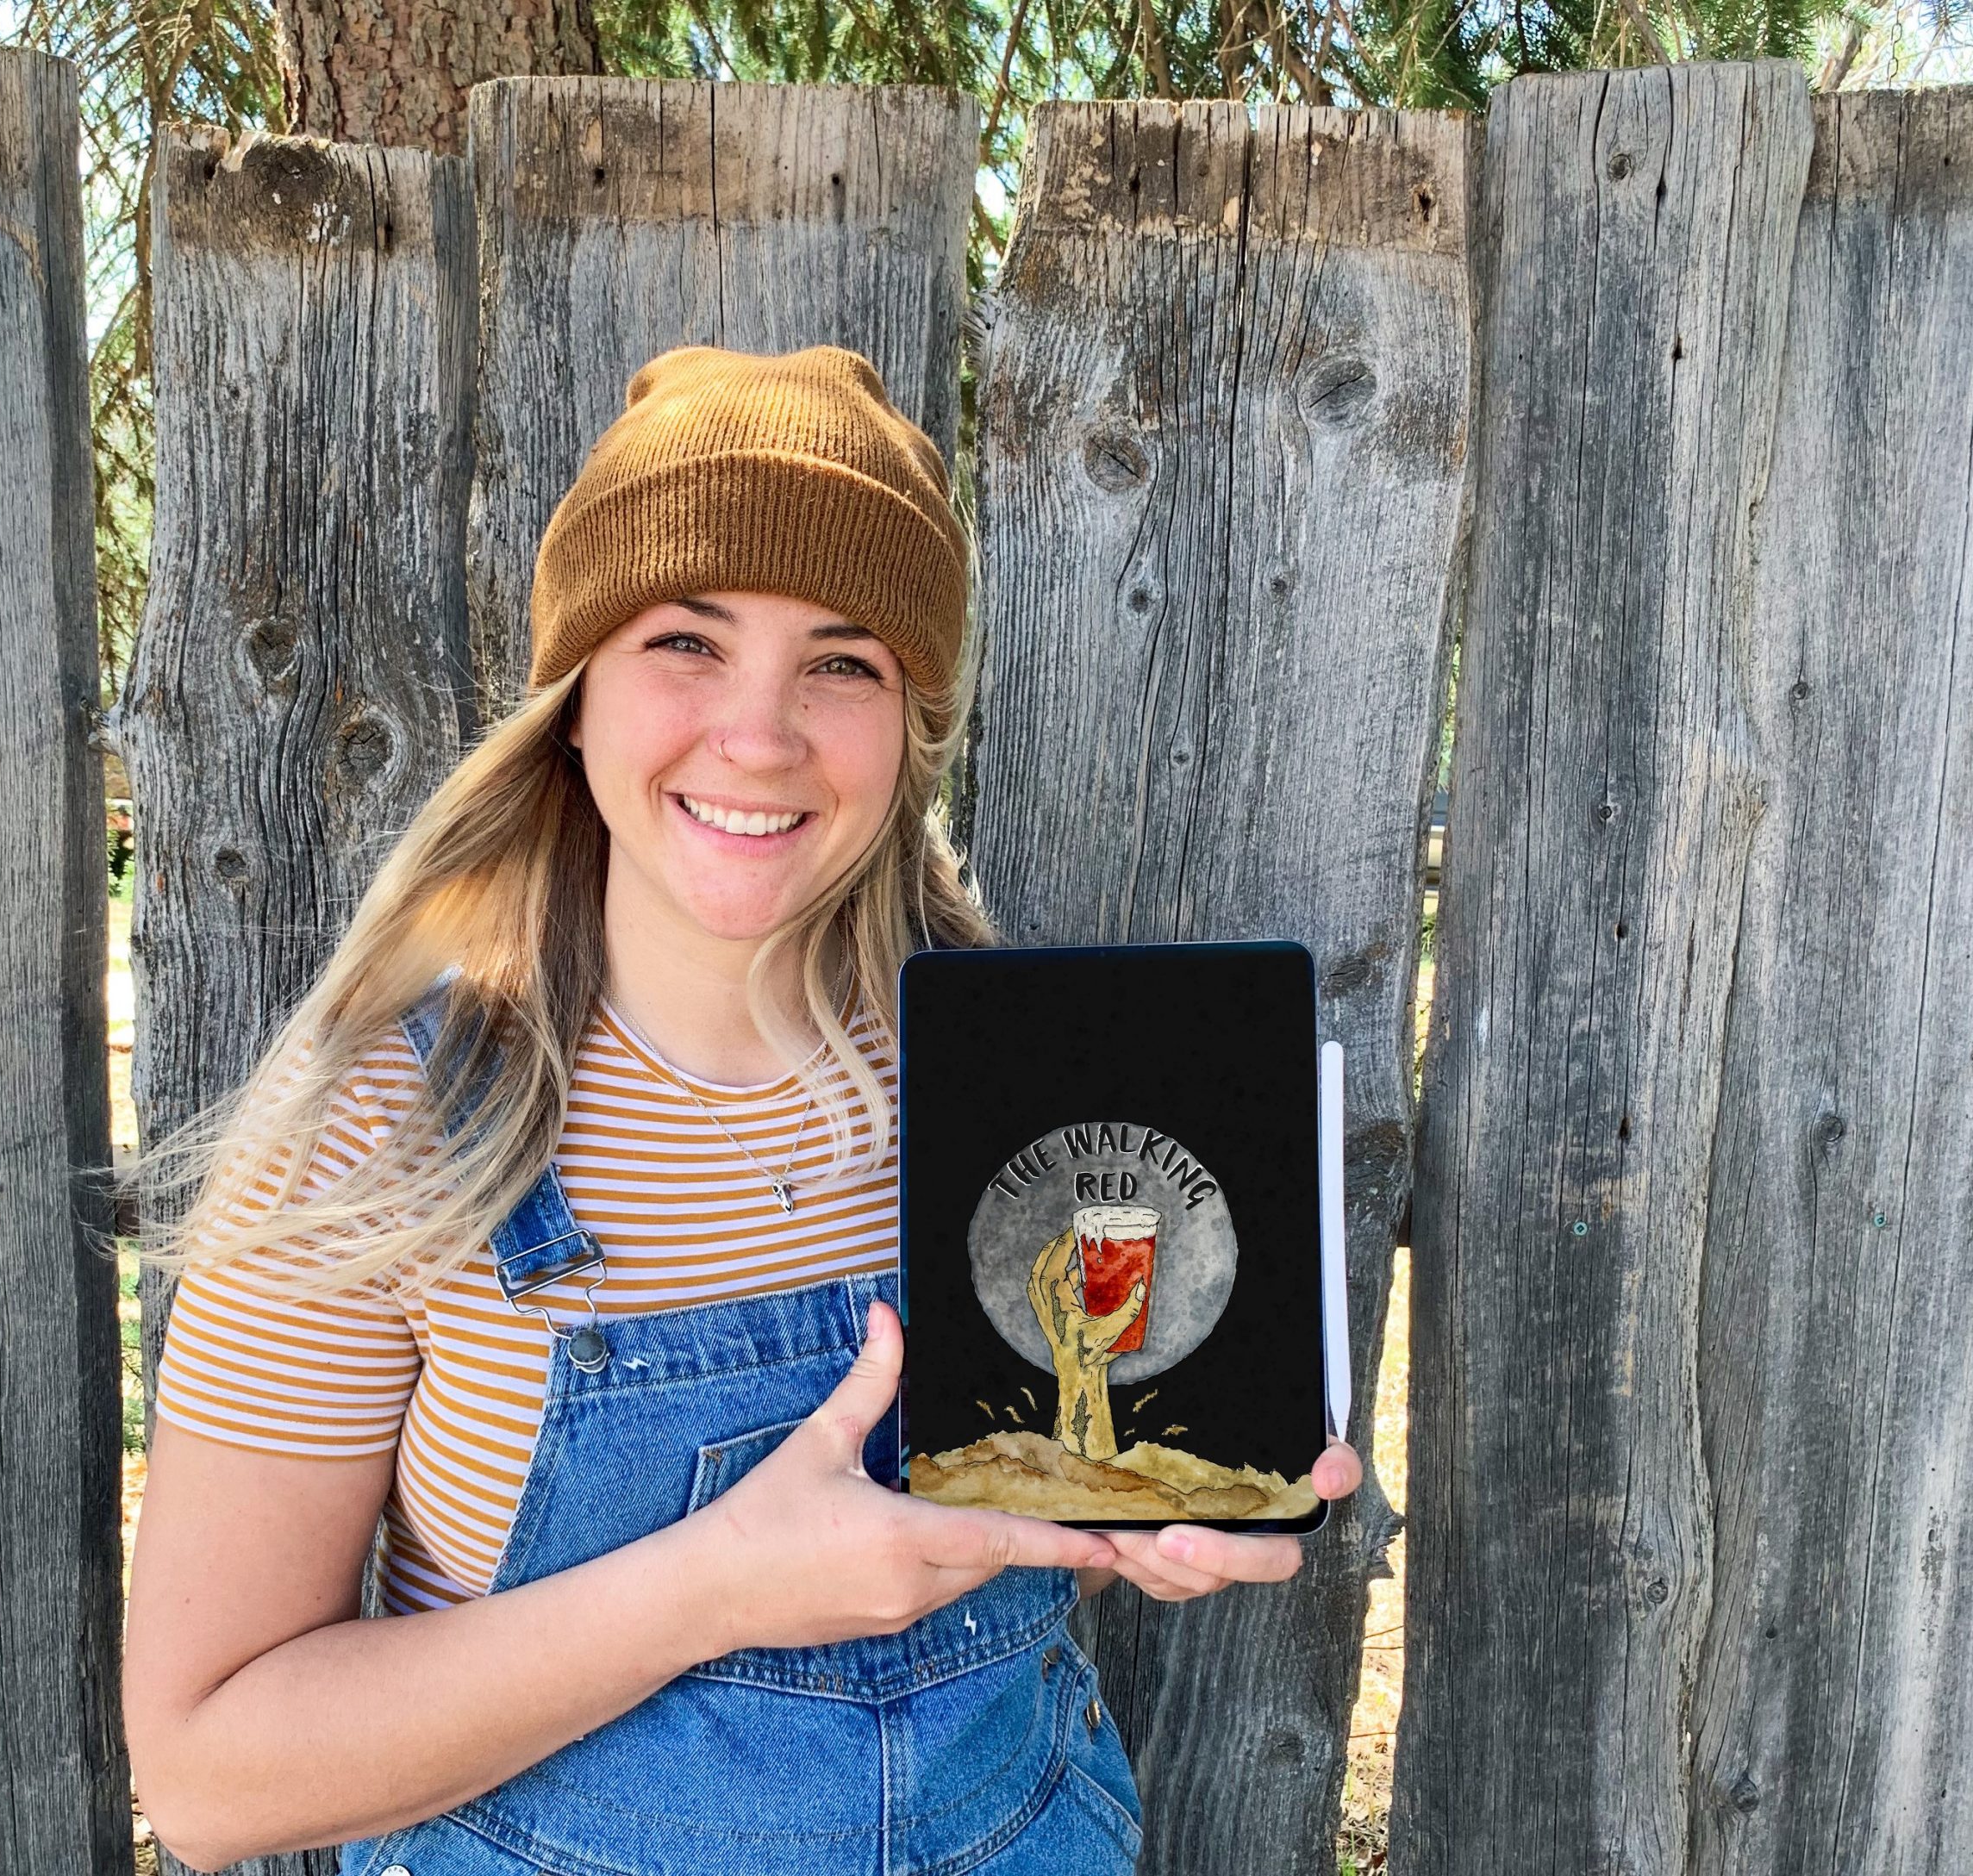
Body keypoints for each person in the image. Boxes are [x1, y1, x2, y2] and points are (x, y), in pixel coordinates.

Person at [122, 343, 1364, 1875]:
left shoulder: (1022, 1090)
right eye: (686, 643)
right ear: (574, 702)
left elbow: (995, 1546)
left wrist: (1128, 1518)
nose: (760, 732)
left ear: (909, 728)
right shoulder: (385, 1131)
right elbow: (208, 1769)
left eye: (843, 661)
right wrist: (716, 1585)